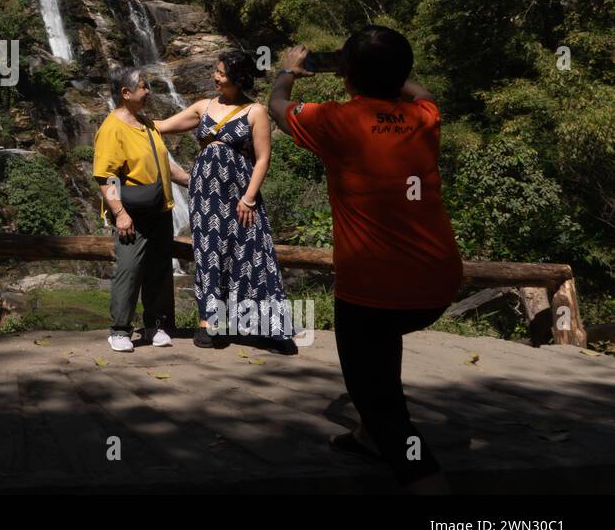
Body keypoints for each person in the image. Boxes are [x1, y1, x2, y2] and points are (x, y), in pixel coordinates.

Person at [268, 25, 463, 494]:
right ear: (401, 76)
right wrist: (394, 76)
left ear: (347, 75)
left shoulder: (335, 120)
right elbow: (424, 92)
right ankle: (367, 437)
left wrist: (287, 72)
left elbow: (276, 107)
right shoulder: (425, 117)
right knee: (382, 350)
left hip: (373, 289)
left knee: (381, 404)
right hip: (437, 282)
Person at [155, 51, 296, 354]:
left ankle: (264, 326)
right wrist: (128, 118)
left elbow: (263, 159)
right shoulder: (203, 107)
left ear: (238, 77)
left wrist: (248, 198)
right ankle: (209, 322)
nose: (215, 77)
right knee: (209, 253)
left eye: (220, 73)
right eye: (216, 71)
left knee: (251, 253)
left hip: (240, 194)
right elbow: (161, 126)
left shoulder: (255, 111)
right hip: (205, 195)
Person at [93, 65, 190, 353]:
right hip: (132, 213)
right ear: (126, 93)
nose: (148, 91)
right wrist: (120, 213)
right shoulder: (112, 129)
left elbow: (165, 165)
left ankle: (153, 325)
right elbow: (106, 177)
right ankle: (120, 330)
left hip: (161, 208)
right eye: (143, 87)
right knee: (129, 269)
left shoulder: (144, 123)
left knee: (158, 269)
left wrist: (194, 181)